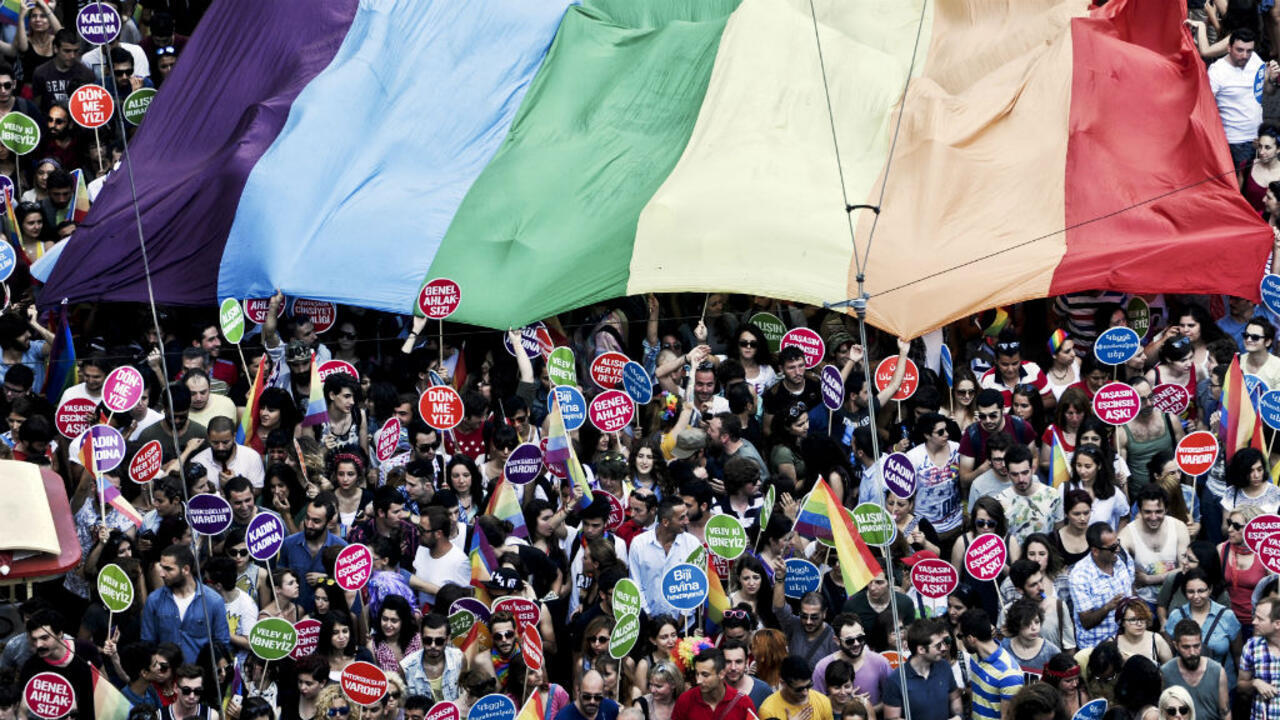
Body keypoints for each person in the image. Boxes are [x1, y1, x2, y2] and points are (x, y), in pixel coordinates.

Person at [140, 544, 231, 664]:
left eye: (168, 569)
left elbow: (222, 644)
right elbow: (148, 643)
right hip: (167, 677)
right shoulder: (154, 600)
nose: (161, 574)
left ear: (186, 569)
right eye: (162, 567)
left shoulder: (213, 601)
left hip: (200, 677)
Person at [1207, 28, 1276, 172]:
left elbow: (1268, 92)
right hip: (1234, 140)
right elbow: (1207, 108)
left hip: (1257, 139)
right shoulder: (1216, 71)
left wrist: (1271, 80)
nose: (1245, 55)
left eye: (1249, 50)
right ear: (1229, 48)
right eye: (1239, 50)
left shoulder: (1255, 59)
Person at [628, 497, 700, 620]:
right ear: (665, 522)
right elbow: (636, 584)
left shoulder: (693, 544)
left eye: (686, 516)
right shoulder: (639, 544)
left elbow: (695, 587)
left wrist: (681, 621)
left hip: (685, 627)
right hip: (648, 623)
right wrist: (649, 618)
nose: (687, 521)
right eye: (681, 518)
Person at [1119, 485, 1190, 607]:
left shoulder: (1179, 528)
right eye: (1148, 512)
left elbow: (1186, 569)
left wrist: (1148, 579)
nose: (1153, 517)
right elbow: (1120, 574)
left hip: (1175, 598)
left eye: (1158, 512)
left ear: (1166, 509)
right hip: (1143, 600)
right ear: (1140, 510)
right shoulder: (1127, 535)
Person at [1069, 523, 1136, 650]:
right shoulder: (1080, 575)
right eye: (1112, 548)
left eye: (1118, 544)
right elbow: (1086, 622)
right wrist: (1108, 607)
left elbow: (1132, 589)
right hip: (1096, 647)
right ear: (1095, 551)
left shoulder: (1122, 558)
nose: (1117, 549)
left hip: (1125, 640)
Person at [882, 618, 961, 720]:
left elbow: (955, 698)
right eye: (938, 645)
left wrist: (958, 716)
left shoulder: (944, 667)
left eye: (944, 643)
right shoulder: (896, 680)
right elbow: (892, 718)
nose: (944, 648)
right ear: (921, 649)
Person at [812, 614, 892, 712]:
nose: (856, 644)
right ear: (837, 641)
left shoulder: (880, 662)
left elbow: (892, 699)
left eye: (860, 638)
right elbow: (816, 705)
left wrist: (866, 710)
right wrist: (842, 701)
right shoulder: (822, 667)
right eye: (850, 641)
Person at [959, 609, 1024, 720]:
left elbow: (1008, 717)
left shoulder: (1009, 674)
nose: (960, 640)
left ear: (970, 639)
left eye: (960, 636)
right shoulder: (974, 657)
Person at [1160, 620, 1229, 720]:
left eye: (1196, 646)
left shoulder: (1217, 671)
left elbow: (1225, 713)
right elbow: (1162, 711)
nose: (1192, 652)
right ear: (1176, 646)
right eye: (1186, 647)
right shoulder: (1166, 672)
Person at [995, 444, 1062, 546]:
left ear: (1032, 469)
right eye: (1015, 474)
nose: (1021, 479)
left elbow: (1059, 533)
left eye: (1025, 473)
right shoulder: (999, 501)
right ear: (1008, 473)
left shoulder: (1052, 496)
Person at [671, 649, 756, 720]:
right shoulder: (685, 700)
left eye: (705, 675)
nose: (698, 681)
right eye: (697, 674)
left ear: (722, 674)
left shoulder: (743, 703)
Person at [400, 614, 463, 703]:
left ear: (448, 639)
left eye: (439, 641)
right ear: (421, 638)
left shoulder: (459, 659)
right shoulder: (406, 667)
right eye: (428, 640)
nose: (433, 646)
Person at [1240, 595, 1280, 720]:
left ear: (1277, 624)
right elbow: (1240, 685)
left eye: (1260, 619)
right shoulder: (1252, 646)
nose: (1253, 622)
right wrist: (1254, 683)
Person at [758, 656, 833, 720]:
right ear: (783, 683)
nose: (805, 693)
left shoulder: (823, 701)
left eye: (808, 686)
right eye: (799, 689)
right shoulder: (768, 711)